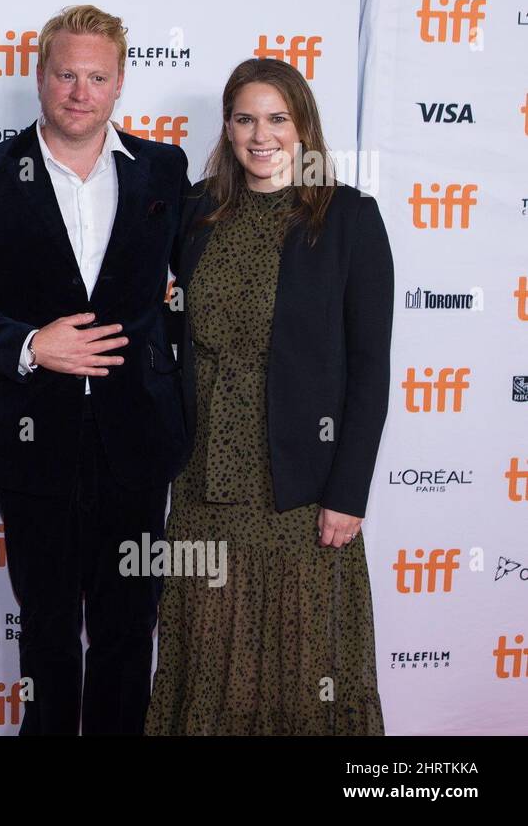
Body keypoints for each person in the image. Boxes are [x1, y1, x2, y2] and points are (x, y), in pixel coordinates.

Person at [0, 4, 190, 735]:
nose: (80, 91)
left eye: (96, 76)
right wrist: (28, 344)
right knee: (45, 636)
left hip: (137, 443)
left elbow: (196, 284)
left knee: (128, 630)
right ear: (39, 76)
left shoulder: (164, 170)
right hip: (30, 443)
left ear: (120, 83)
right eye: (66, 74)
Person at [145, 58, 391, 735]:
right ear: (227, 126)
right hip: (203, 483)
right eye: (246, 118)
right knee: (208, 657)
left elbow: (370, 367)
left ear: (303, 126)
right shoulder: (196, 210)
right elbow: (171, 321)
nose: (261, 135)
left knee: (303, 661)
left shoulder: (348, 218)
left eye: (278, 118)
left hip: (303, 487)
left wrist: (349, 491)